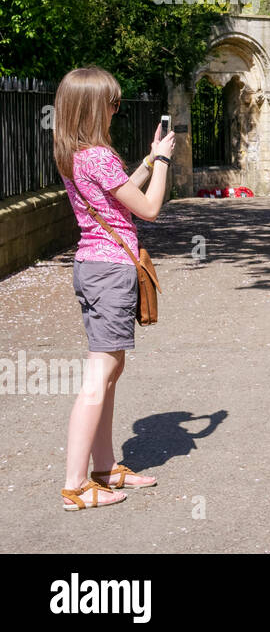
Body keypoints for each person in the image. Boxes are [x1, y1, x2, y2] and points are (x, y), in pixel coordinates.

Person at [54, 67, 175, 511]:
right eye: (113, 103)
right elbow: (148, 208)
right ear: (93, 108)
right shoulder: (99, 157)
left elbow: (118, 197)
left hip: (91, 266)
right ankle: (75, 486)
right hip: (109, 272)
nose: (115, 109)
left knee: (110, 372)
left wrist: (146, 161)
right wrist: (163, 163)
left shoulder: (75, 154)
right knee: (98, 376)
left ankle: (103, 469)